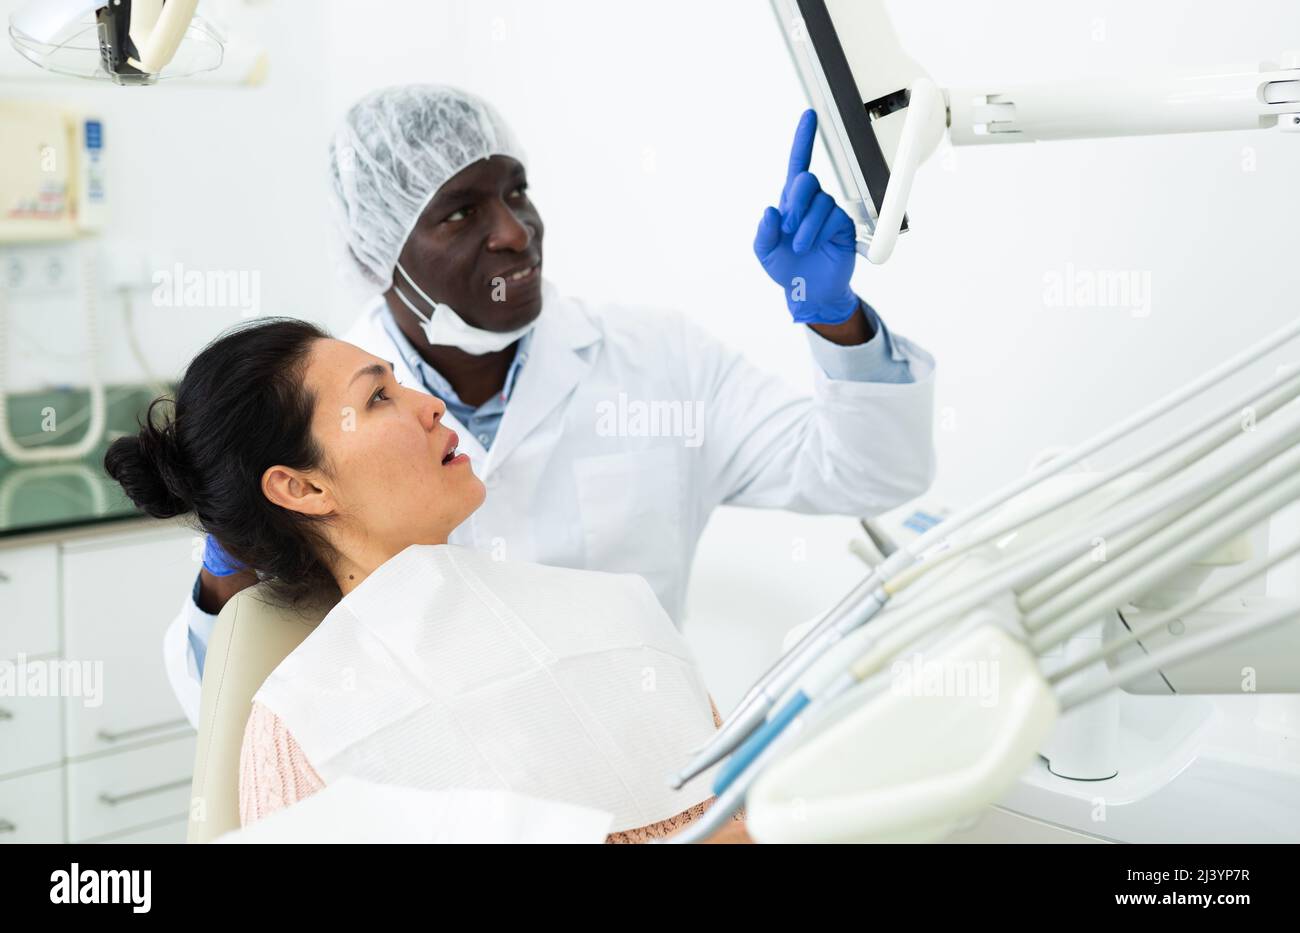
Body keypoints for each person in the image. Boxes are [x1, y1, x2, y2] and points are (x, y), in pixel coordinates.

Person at [162, 84, 937, 726]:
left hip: (649, 768)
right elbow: (230, 709)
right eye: (461, 212)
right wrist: (229, 571)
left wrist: (830, 314)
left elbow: (871, 473)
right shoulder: (320, 428)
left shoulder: (659, 362)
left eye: (517, 191)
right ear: (377, 252)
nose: (514, 232)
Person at [110, 318, 750, 843]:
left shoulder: (617, 610)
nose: (431, 404)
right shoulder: (308, 727)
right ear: (301, 487)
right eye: (378, 397)